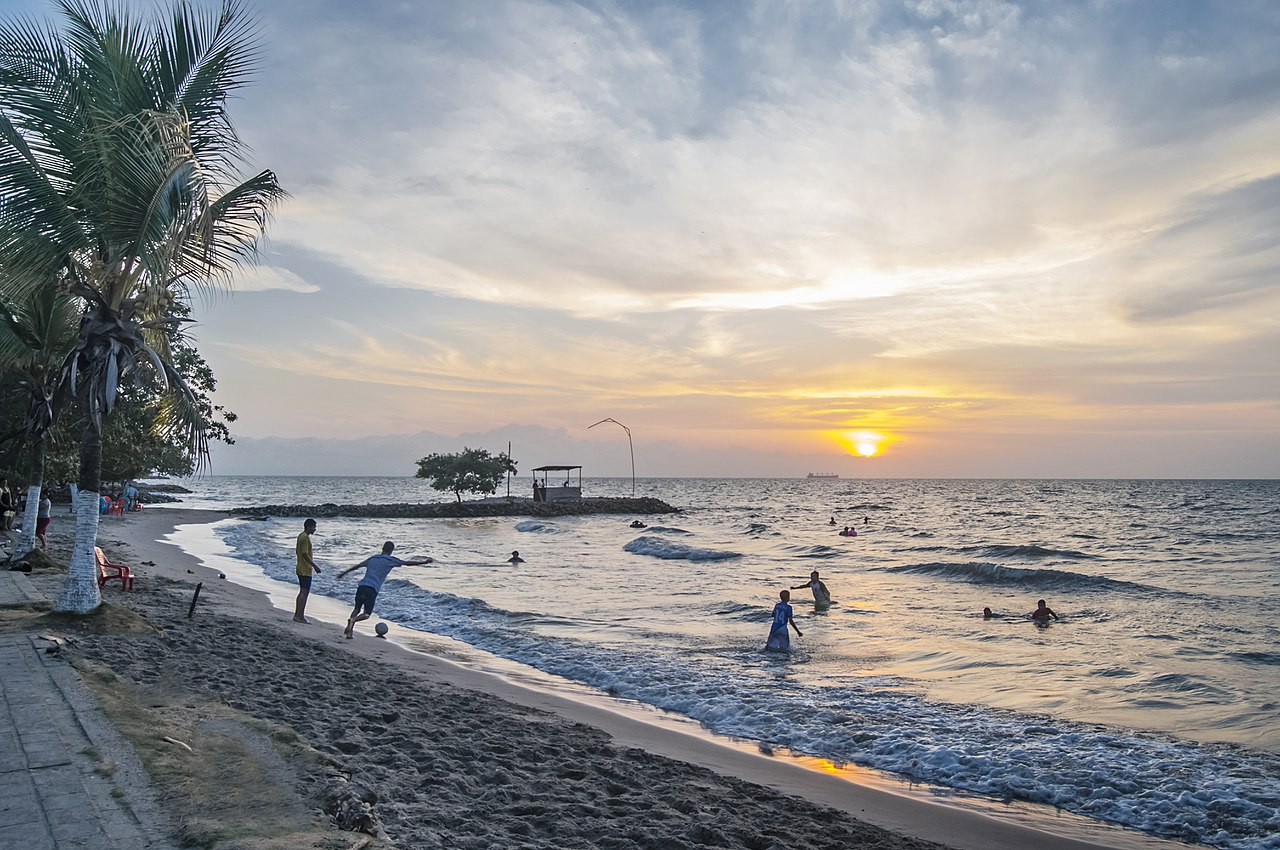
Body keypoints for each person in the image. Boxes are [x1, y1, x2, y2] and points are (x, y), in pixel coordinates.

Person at [337, 541, 432, 638]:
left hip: (362, 586)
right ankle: (353, 620)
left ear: (382, 548)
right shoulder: (390, 560)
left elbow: (357, 566)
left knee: (356, 609)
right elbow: (407, 563)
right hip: (372, 589)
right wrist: (424, 562)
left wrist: (343, 573)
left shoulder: (373, 558)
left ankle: (350, 633)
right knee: (366, 614)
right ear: (391, 551)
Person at [293, 518, 320, 624]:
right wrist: (315, 566)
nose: (315, 529)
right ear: (308, 527)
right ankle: (300, 616)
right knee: (305, 592)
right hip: (305, 569)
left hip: (301, 567)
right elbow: (305, 554)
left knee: (302, 591)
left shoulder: (301, 536)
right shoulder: (305, 538)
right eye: (314, 527)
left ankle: (297, 614)